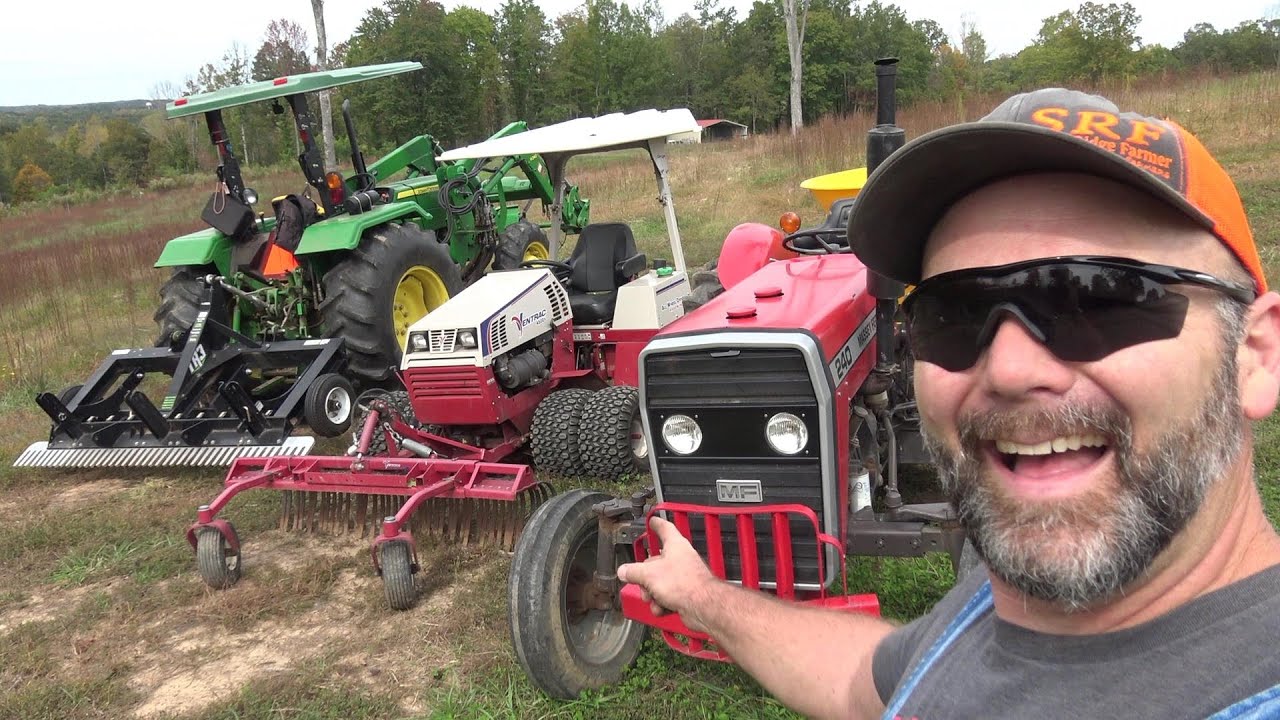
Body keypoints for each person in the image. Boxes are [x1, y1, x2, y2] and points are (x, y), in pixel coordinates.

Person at [616, 88, 1280, 719]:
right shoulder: (992, 612)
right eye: (954, 313)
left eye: (1098, 298)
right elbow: (860, 681)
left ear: (1255, 353)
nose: (1010, 368)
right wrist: (703, 596)